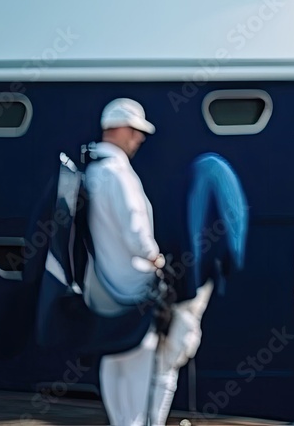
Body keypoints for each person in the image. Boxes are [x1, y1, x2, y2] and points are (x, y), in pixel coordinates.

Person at [86, 98, 211, 426]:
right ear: (120, 129)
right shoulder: (118, 173)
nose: (140, 139)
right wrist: (156, 259)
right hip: (134, 291)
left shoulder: (93, 171)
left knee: (112, 359)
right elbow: (135, 231)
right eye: (136, 131)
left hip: (104, 289)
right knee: (141, 365)